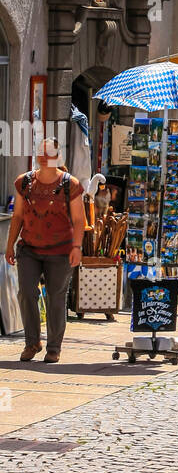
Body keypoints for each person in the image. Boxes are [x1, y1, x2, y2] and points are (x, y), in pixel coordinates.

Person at [4, 137, 85, 363]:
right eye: (41, 151)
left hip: (61, 251)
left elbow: (79, 220)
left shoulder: (71, 185)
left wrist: (77, 247)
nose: (43, 156)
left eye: (48, 152)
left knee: (56, 298)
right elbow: (18, 216)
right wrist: (9, 245)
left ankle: (53, 348)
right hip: (29, 248)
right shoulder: (24, 182)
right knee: (26, 293)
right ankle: (32, 343)